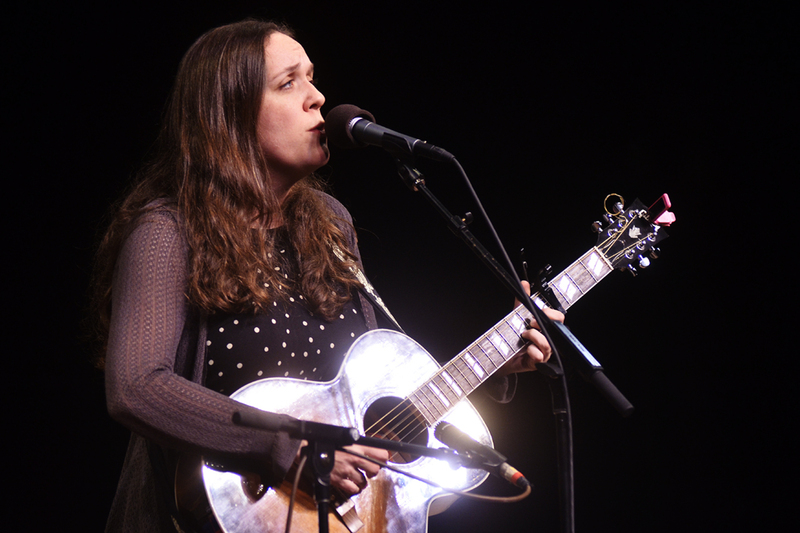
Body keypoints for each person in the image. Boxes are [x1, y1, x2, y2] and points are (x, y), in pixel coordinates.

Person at [91, 19, 563, 533]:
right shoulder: (167, 231)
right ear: (227, 114)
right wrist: (288, 446)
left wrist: (495, 363)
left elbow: (370, 401)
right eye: (288, 83)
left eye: (312, 79)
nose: (317, 98)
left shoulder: (330, 222)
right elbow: (136, 388)